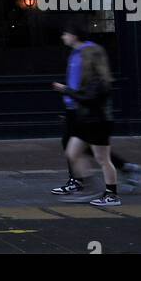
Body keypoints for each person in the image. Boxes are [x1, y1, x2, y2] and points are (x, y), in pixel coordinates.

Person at [51, 23, 141, 196]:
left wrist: (67, 92)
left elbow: (92, 90)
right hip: (77, 106)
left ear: (74, 35)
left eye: (65, 33)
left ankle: (92, 184)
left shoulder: (89, 52)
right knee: (80, 147)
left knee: (91, 149)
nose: (63, 37)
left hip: (88, 110)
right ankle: (115, 172)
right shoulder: (76, 52)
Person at [50, 23, 121, 208]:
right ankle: (87, 187)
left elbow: (88, 99)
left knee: (103, 159)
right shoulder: (88, 78)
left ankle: (111, 194)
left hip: (98, 121)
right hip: (85, 120)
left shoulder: (100, 82)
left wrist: (65, 90)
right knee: (72, 152)